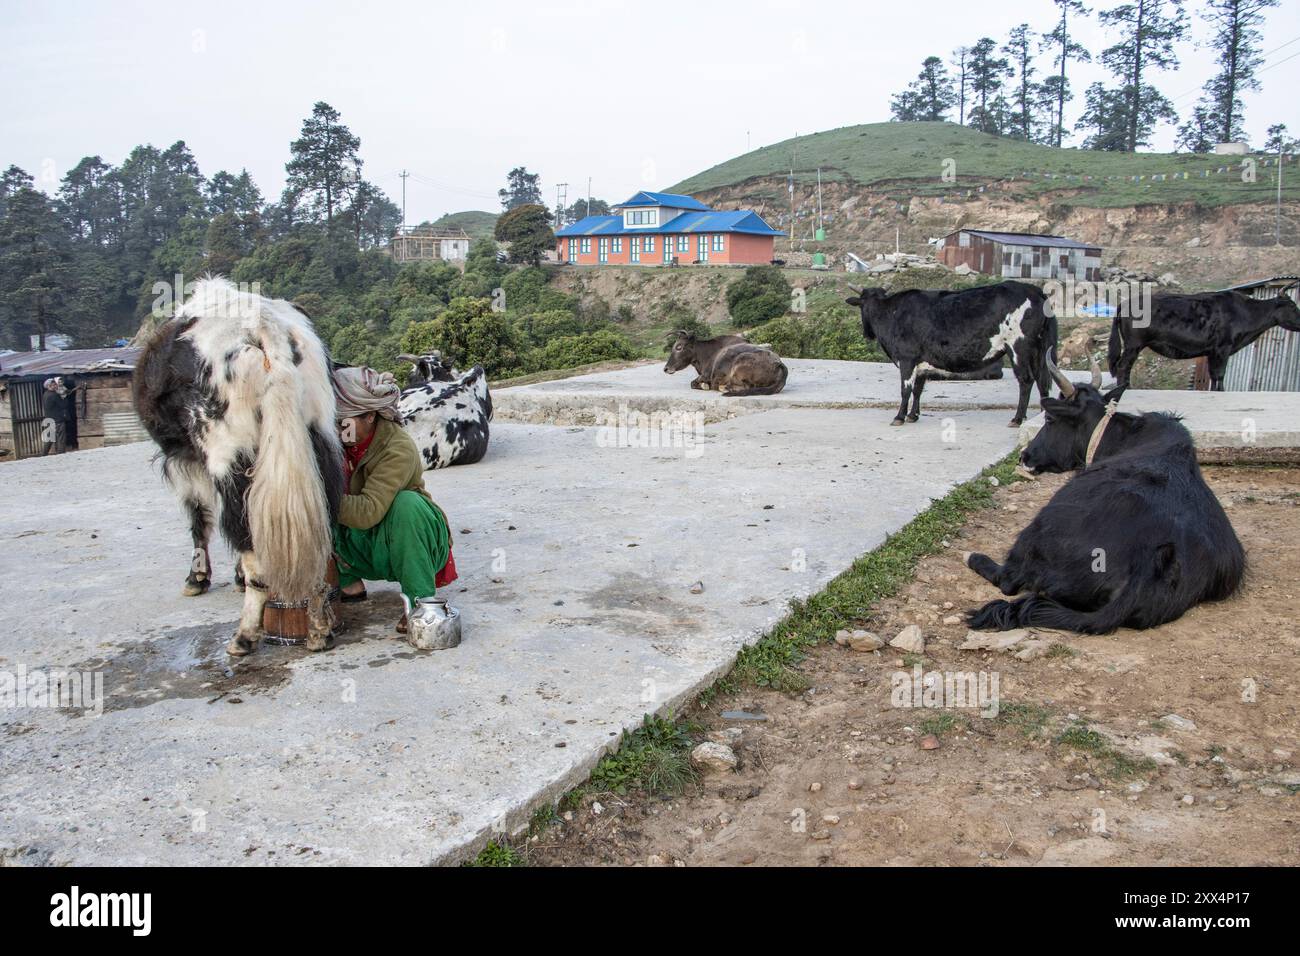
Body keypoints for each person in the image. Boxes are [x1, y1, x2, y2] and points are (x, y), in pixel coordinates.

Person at [332, 365, 457, 634]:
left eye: (344, 419)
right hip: (365, 543)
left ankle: (420, 603)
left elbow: (366, 512)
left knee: (406, 506)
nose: (337, 426)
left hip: (401, 536)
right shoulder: (340, 441)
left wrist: (317, 498)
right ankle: (349, 584)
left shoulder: (397, 448)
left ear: (370, 417)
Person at [41, 377, 69, 455]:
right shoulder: (54, 395)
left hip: (49, 420)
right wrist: (64, 397)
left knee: (49, 439)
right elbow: (64, 405)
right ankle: (61, 453)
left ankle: (44, 454)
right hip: (57, 420)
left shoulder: (45, 394)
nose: (55, 386)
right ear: (49, 386)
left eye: (55, 384)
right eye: (53, 385)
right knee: (61, 438)